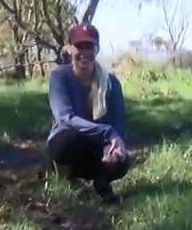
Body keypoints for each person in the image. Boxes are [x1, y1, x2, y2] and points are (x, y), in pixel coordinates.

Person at [46, 22, 130, 204]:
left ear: (97, 49)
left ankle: (102, 182)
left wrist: (114, 147)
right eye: (79, 46)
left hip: (97, 148)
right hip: (70, 143)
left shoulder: (111, 83)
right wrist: (107, 132)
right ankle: (65, 177)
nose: (84, 52)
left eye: (89, 46)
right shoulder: (59, 77)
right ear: (69, 49)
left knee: (122, 160)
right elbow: (65, 117)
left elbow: (119, 122)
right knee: (66, 140)